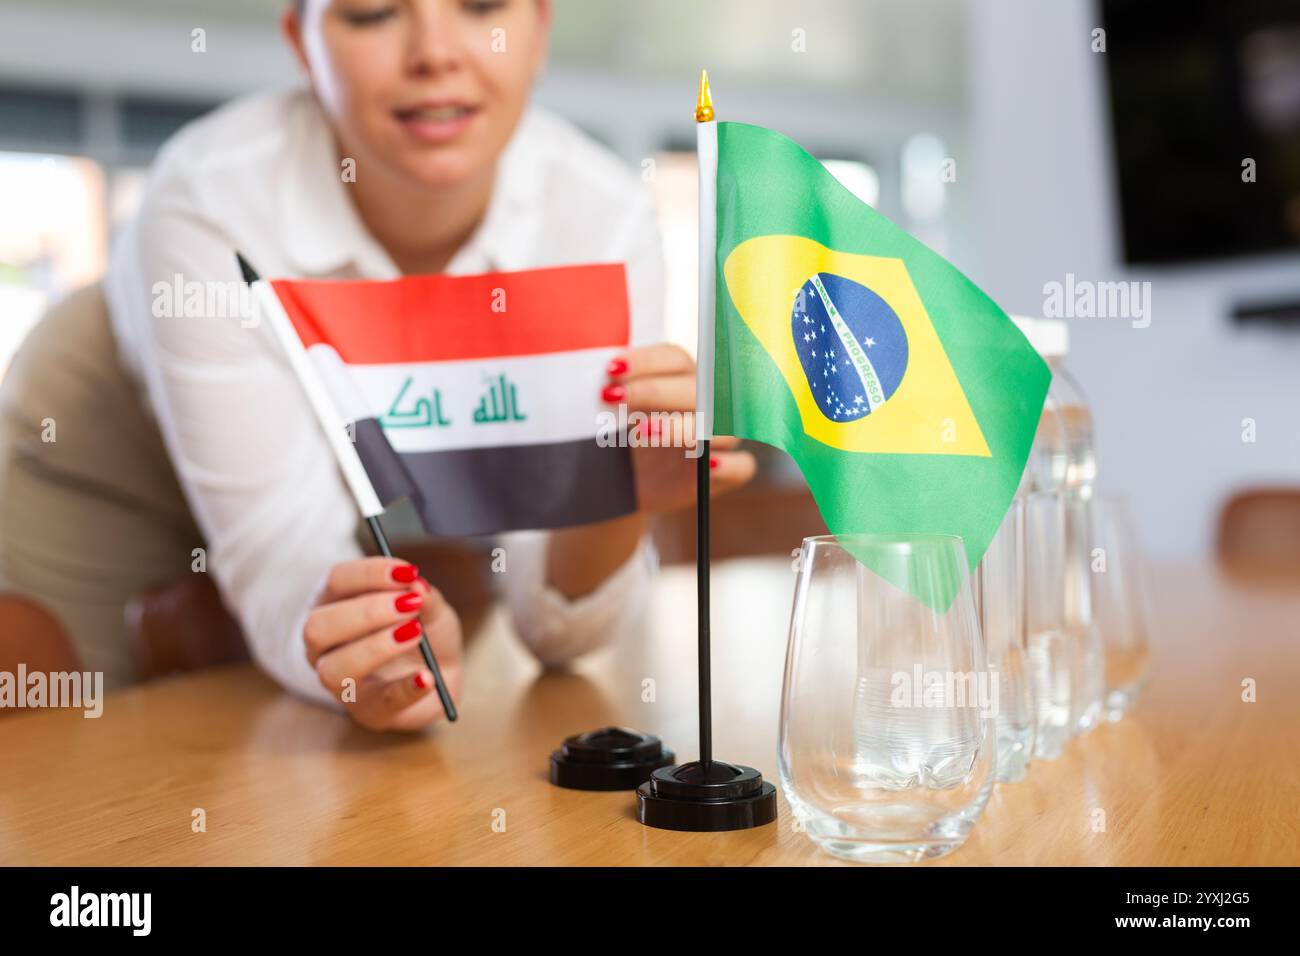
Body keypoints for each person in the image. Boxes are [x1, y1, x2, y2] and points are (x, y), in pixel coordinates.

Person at [17, 0, 756, 731]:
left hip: (329, 508)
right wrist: (349, 641)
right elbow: (280, 549)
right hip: (104, 490)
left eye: (481, 6)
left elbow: (556, 632)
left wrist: (618, 497)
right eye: (373, 12)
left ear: (539, 28)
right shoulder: (211, 195)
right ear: (302, 45)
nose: (434, 52)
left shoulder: (601, 217)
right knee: (88, 756)